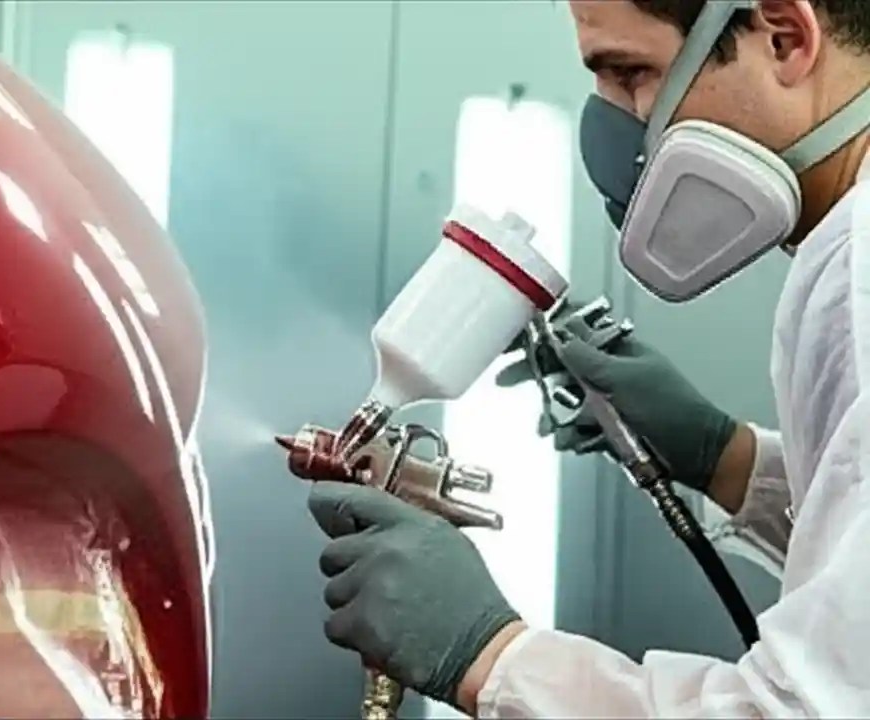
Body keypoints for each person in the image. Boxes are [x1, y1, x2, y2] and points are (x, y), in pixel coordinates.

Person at [305, 0, 870, 715]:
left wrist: (490, 659)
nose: (616, 131)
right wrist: (727, 459)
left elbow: (813, 708)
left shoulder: (858, 271)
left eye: (632, 74)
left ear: (785, 38)